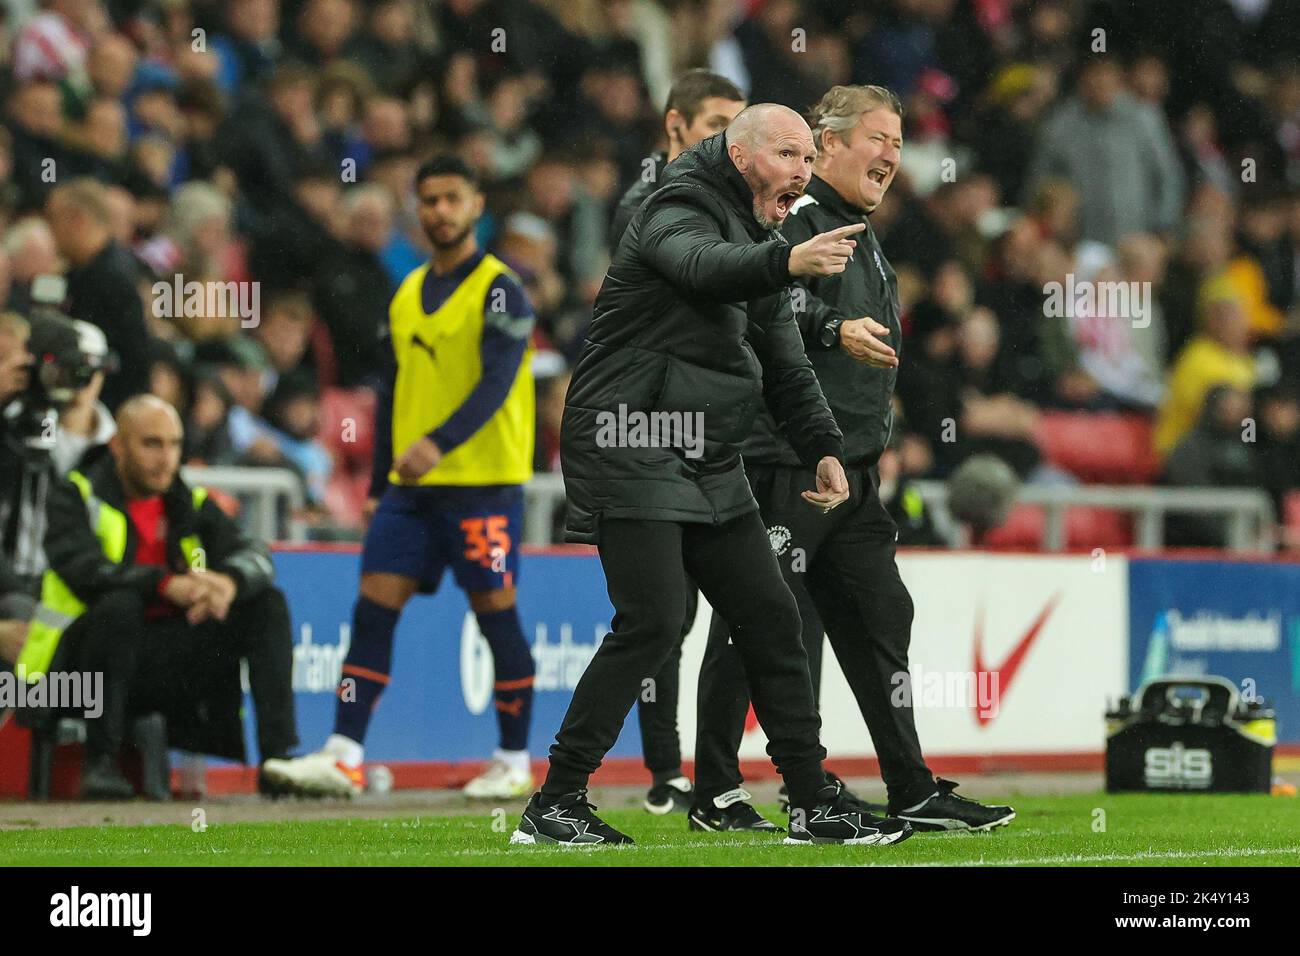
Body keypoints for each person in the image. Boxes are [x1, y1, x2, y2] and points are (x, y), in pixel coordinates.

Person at [514, 103, 914, 847]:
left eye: (806, 158)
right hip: (630, 430)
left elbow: (785, 358)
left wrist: (822, 443)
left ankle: (807, 801)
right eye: (788, 155)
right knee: (657, 620)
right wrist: (787, 261)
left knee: (769, 614)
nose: (800, 172)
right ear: (739, 154)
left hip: (704, 444)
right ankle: (557, 802)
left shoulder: (761, 229)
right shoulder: (678, 204)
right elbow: (702, 268)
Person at [692, 85, 1016, 834]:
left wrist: (885, 434)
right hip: (786, 464)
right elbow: (753, 306)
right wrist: (834, 327)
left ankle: (911, 785)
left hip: (856, 472)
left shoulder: (859, 230)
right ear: (826, 143)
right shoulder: (797, 218)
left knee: (880, 621)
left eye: (899, 145)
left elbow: (863, 351)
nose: (892, 157)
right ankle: (716, 790)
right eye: (878, 139)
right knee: (755, 625)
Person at [262, 156, 539, 800]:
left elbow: (497, 382)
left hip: (482, 484)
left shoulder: (502, 290)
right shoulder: (406, 291)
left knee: (496, 615)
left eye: (452, 197)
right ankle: (345, 753)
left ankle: (512, 758)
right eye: (429, 200)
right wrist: (383, 481)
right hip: (411, 493)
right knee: (372, 612)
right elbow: (392, 392)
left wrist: (438, 443)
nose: (439, 210)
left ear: (477, 204)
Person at [17, 395, 305, 800]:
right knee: (120, 605)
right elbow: (85, 570)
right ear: (118, 445)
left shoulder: (190, 501)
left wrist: (229, 583)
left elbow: (256, 555)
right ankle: (100, 764)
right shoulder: (75, 494)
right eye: (152, 444)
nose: (166, 458)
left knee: (265, 603)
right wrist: (165, 584)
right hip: (73, 673)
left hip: (157, 666)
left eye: (174, 444)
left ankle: (279, 762)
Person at [612, 68, 746, 815]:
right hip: (657, 428)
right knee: (667, 612)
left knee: (709, 608)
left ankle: (700, 773)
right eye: (712, 126)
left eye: (737, 128)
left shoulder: (737, 208)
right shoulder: (651, 207)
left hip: (710, 427)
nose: (726, 143)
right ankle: (667, 771)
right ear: (674, 130)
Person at [45, 178, 153, 411]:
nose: (50, 230)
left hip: (107, 410)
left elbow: (128, 360)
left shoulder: (111, 278)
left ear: (77, 220)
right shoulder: (83, 271)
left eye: (53, 219)